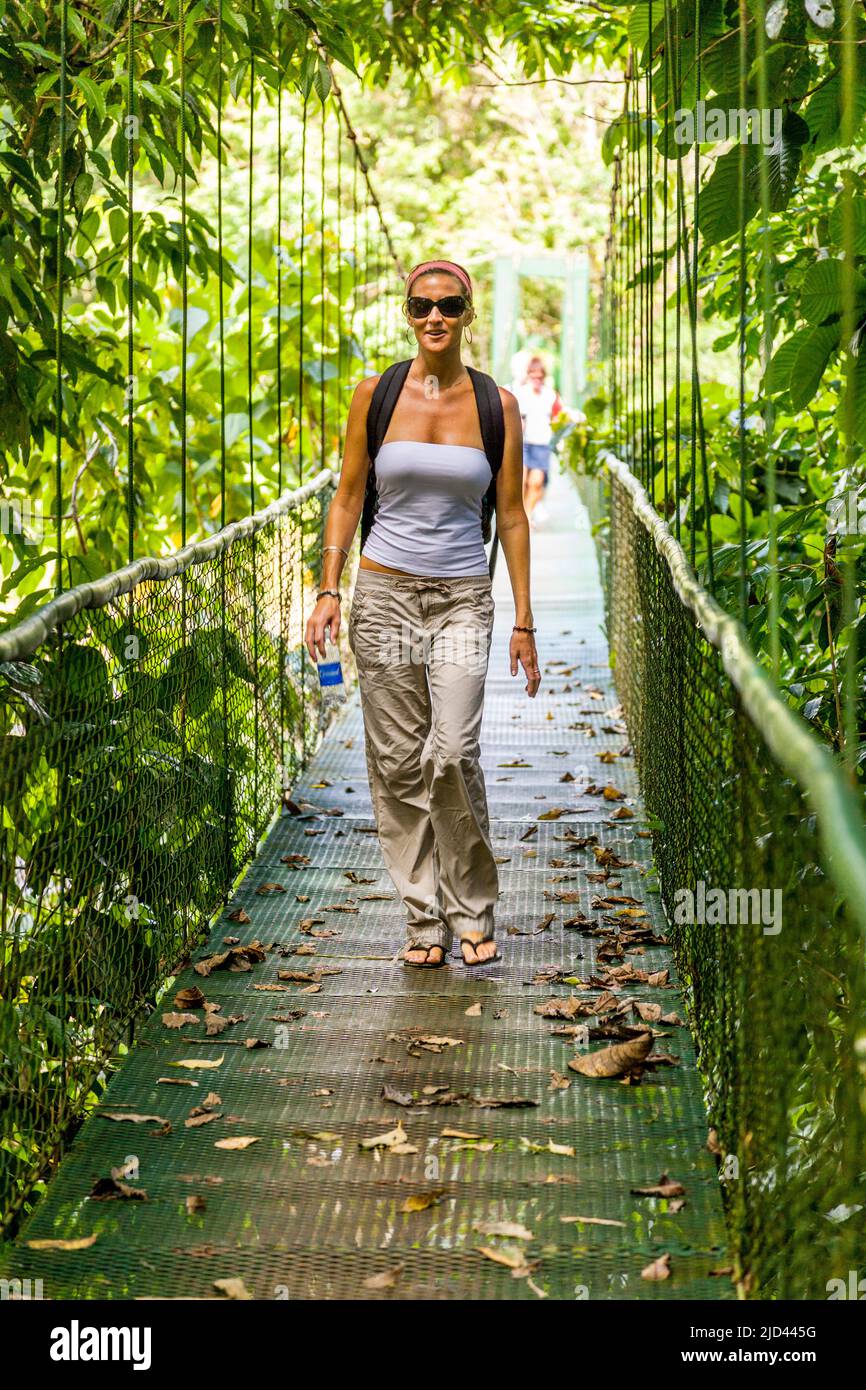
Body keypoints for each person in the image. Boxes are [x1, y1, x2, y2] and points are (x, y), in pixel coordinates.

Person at [304, 259, 541, 969]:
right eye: (420, 305)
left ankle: (473, 907)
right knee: (399, 763)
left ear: (468, 313)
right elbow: (347, 497)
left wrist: (524, 623)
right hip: (382, 595)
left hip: (462, 599)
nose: (434, 316)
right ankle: (422, 917)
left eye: (448, 304)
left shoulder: (497, 404)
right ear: (407, 314)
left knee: (452, 753)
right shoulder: (374, 395)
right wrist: (327, 587)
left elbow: (512, 516)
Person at [513, 356, 562, 526]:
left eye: (539, 376)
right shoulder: (519, 392)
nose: (536, 379)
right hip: (523, 443)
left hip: (542, 444)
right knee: (521, 482)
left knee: (535, 483)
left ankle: (526, 515)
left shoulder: (550, 395)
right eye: (533, 375)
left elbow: (559, 416)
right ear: (528, 375)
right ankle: (521, 517)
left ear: (544, 377)